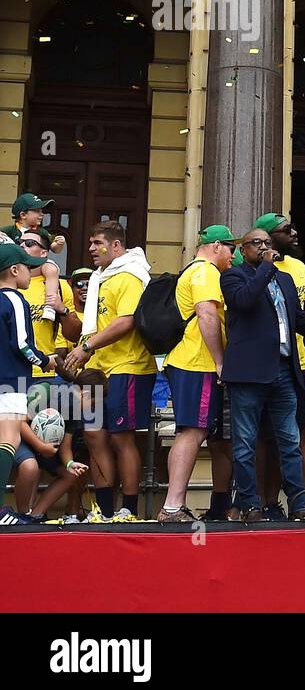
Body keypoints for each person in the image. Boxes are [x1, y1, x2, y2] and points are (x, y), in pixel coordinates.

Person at [222, 228, 305, 522]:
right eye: (256, 243)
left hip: (283, 370)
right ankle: (250, 504)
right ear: (243, 249)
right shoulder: (233, 276)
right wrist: (266, 266)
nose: (263, 247)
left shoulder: (285, 280)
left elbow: (297, 318)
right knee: (246, 442)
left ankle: (298, 504)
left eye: (267, 243)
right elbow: (245, 300)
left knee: (289, 441)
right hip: (248, 375)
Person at [63, 221, 153, 520]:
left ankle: (128, 509)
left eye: (97, 243)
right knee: (93, 436)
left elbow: (125, 321)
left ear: (116, 246)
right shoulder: (102, 277)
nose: (91, 249)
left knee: (120, 437)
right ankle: (103, 509)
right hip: (98, 369)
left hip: (127, 366)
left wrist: (85, 348)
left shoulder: (129, 275)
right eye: (90, 243)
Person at [157, 225, 237, 522]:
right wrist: (219, 361)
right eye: (230, 248)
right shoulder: (205, 272)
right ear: (216, 246)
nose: (233, 254)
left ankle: (173, 504)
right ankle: (173, 506)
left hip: (186, 362)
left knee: (190, 431)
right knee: (192, 431)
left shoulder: (192, 270)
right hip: (197, 362)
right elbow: (206, 314)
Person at [249, 213, 305, 518]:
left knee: (289, 438)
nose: (293, 232)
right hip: (258, 367)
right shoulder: (250, 268)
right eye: (284, 230)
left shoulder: (298, 268)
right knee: (259, 440)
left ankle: (285, 503)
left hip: (298, 366)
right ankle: (260, 501)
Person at [0, 242, 50, 524]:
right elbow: (22, 344)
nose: (32, 274)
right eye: (29, 269)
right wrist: (44, 361)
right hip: (9, 381)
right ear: (14, 270)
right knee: (8, 441)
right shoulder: (15, 299)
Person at [15, 228, 77, 382]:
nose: (22, 246)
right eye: (19, 243)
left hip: (43, 373)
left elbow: (74, 334)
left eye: (29, 243)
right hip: (9, 372)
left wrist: (62, 310)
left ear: (43, 253)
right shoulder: (7, 282)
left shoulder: (60, 286)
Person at [3, 193, 65, 320]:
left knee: (51, 268)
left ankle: (49, 305)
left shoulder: (41, 231)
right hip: (16, 265)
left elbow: (53, 248)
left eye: (42, 211)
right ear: (23, 215)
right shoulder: (10, 230)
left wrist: (59, 244)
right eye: (37, 211)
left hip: (36, 263)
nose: (42, 214)